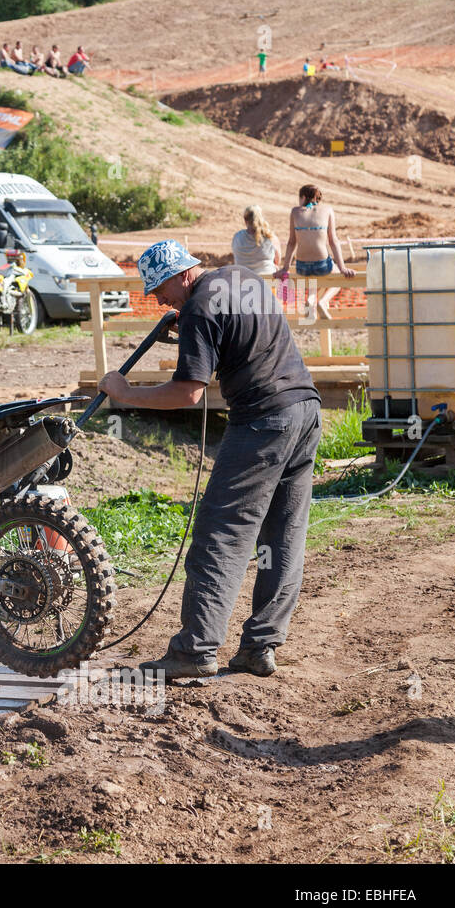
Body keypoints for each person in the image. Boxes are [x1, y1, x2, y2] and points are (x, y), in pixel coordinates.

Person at [100, 239, 322, 679]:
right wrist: (187, 329)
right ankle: (260, 646)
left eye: (161, 288)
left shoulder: (199, 308)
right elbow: (237, 329)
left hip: (262, 422)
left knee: (221, 533)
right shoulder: (242, 278)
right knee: (282, 535)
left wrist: (125, 395)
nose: (158, 299)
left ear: (183, 273)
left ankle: (194, 650)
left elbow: (188, 393)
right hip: (305, 412)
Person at [275, 184, 356, 279]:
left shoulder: (295, 212)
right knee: (337, 278)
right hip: (322, 265)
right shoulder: (327, 210)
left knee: (311, 281)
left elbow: (291, 243)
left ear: (303, 197)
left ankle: (312, 294)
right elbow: (333, 241)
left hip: (302, 267)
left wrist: (285, 268)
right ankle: (325, 295)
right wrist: (343, 268)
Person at [231, 205, 281, 277]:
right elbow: (277, 261)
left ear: (245, 220)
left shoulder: (237, 237)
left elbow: (236, 257)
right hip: (267, 283)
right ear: (261, 219)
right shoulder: (270, 237)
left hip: (242, 282)